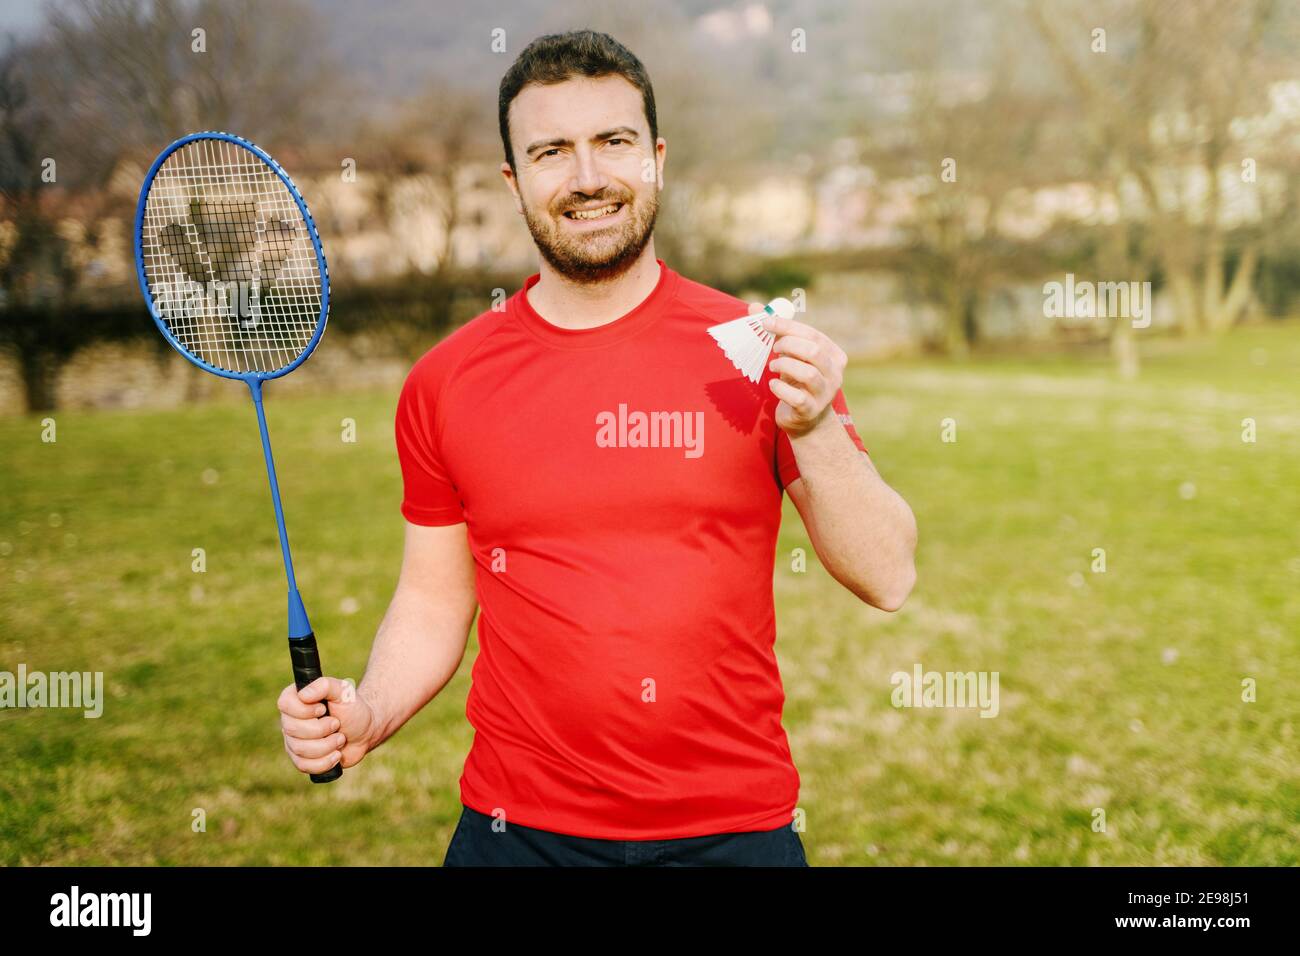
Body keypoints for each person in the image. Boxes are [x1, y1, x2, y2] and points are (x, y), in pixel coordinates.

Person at [277, 29, 917, 867]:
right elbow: (434, 602)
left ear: (656, 157)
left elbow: (889, 574)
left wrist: (816, 427)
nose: (586, 178)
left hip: (731, 831)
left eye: (612, 143)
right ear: (514, 181)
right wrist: (370, 712)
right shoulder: (445, 381)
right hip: (517, 835)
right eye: (551, 151)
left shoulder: (755, 349)